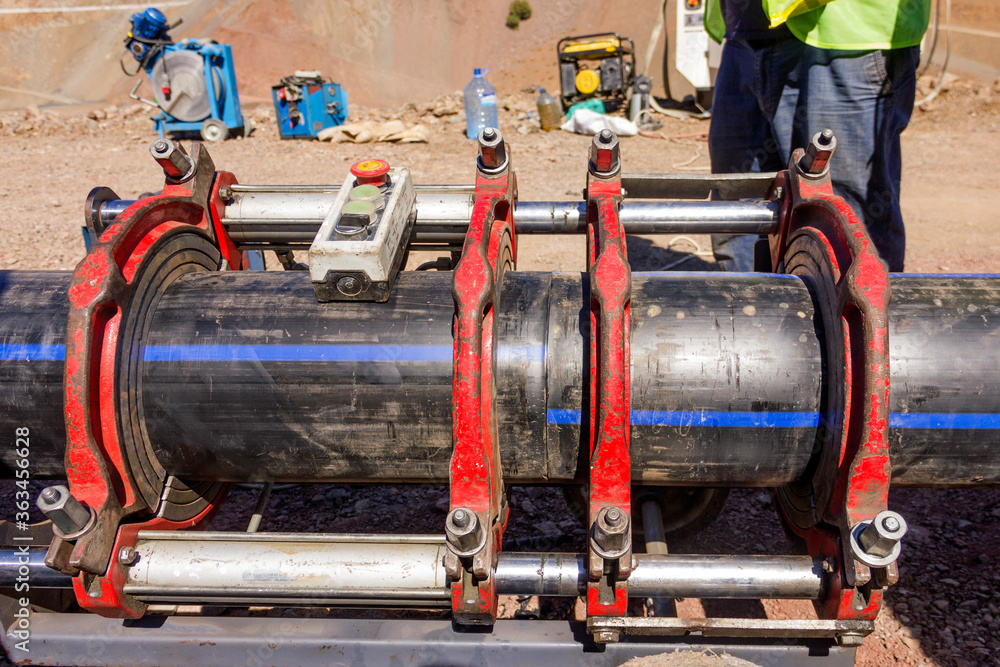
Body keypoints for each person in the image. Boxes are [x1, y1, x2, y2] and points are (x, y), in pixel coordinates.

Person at [705, 0, 930, 272]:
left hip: (845, 33)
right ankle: (748, 309)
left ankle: (854, 314)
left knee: (843, 222)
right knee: (739, 203)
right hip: (746, 29)